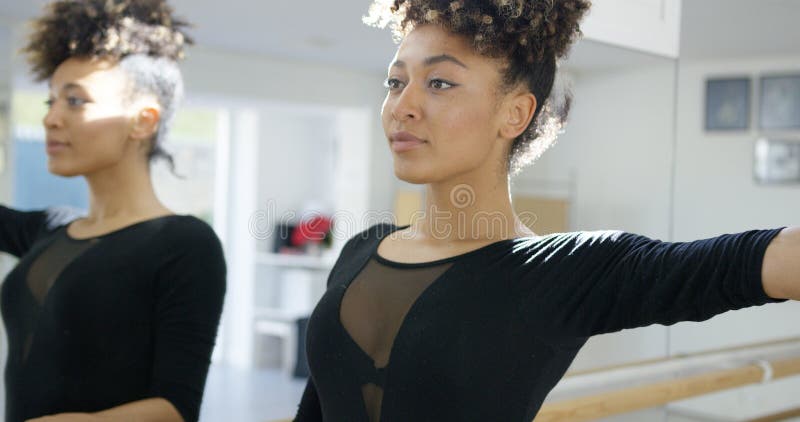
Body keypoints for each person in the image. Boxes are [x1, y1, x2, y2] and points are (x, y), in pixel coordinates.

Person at [294, 1, 799, 421]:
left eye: (440, 83)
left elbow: (751, 263)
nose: (402, 105)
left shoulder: (560, 272)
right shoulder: (364, 247)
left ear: (515, 113)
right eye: (395, 81)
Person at [0, 1, 226, 421]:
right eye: (51, 101)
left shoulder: (184, 243)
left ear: (142, 121)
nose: (50, 118)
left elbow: (175, 408)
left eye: (75, 101)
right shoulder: (50, 230)